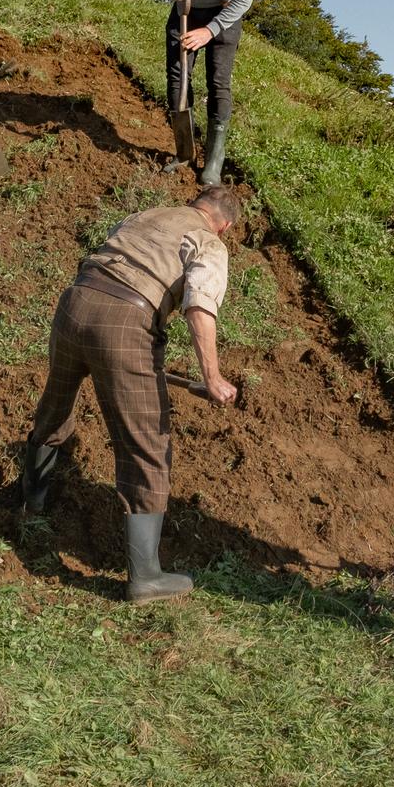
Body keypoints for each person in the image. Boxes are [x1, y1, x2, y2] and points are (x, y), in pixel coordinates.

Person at [18, 187, 242, 603]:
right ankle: (146, 577)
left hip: (76, 302)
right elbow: (199, 305)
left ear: (196, 204)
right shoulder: (209, 242)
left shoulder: (150, 213)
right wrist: (212, 376)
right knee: (147, 444)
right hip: (125, 321)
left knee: (55, 405)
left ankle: (31, 506)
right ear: (225, 225)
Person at [146, 0, 258, 187]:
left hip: (225, 13)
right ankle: (185, 151)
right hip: (189, 5)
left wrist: (210, 32)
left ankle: (213, 162)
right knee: (177, 75)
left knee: (218, 82)